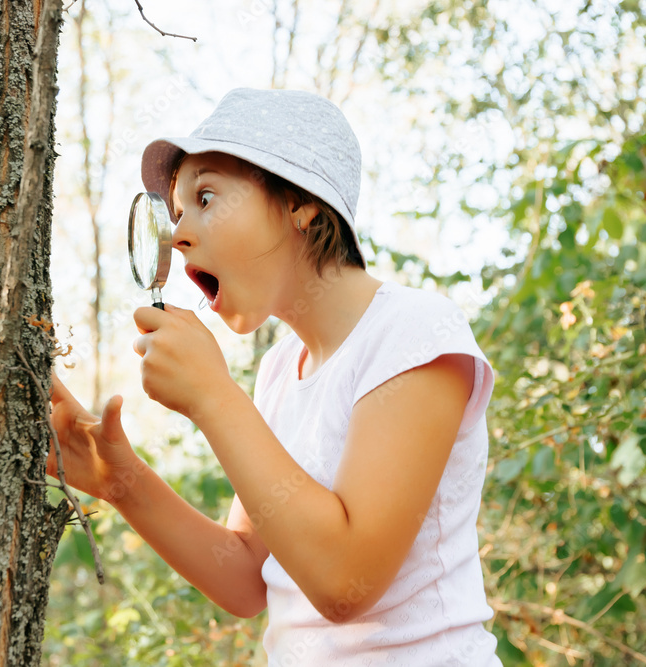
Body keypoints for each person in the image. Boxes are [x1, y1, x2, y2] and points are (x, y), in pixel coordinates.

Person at [47, 88, 502, 666]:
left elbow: (344, 582)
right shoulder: (279, 371)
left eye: (205, 196)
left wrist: (212, 395)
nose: (179, 234)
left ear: (300, 203)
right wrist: (120, 480)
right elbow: (245, 578)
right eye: (176, 212)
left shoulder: (416, 332)